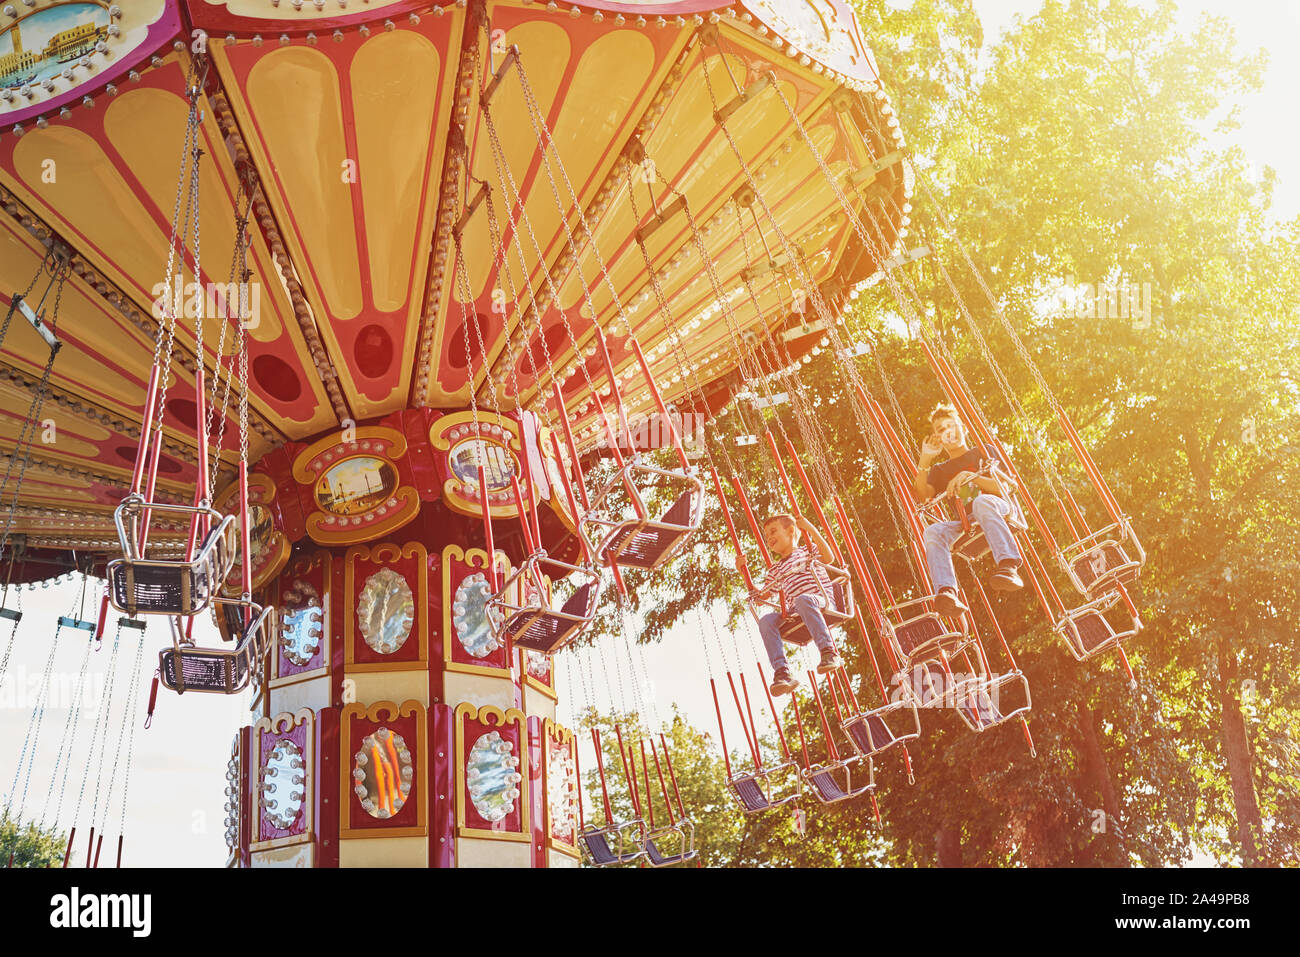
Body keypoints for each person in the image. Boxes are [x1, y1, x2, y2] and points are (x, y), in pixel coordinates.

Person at [913, 404, 1024, 618]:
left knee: (981, 502)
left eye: (950, 425)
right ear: (937, 438)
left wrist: (969, 476)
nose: (947, 432)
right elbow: (924, 496)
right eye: (940, 429)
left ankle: (1008, 564)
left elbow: (1005, 486)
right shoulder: (940, 470)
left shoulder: (982, 452)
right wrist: (925, 460)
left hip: (997, 507)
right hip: (968, 522)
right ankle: (947, 592)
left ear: (962, 428)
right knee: (932, 532)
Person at [751, 513, 845, 695]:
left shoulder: (806, 551)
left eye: (773, 531)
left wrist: (810, 528)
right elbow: (763, 596)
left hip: (820, 600)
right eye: (766, 535)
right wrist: (745, 576)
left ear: (791, 531)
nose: (769, 538)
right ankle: (782, 672)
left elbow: (829, 558)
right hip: (795, 611)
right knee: (766, 620)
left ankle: (829, 651)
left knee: (804, 600)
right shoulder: (776, 569)